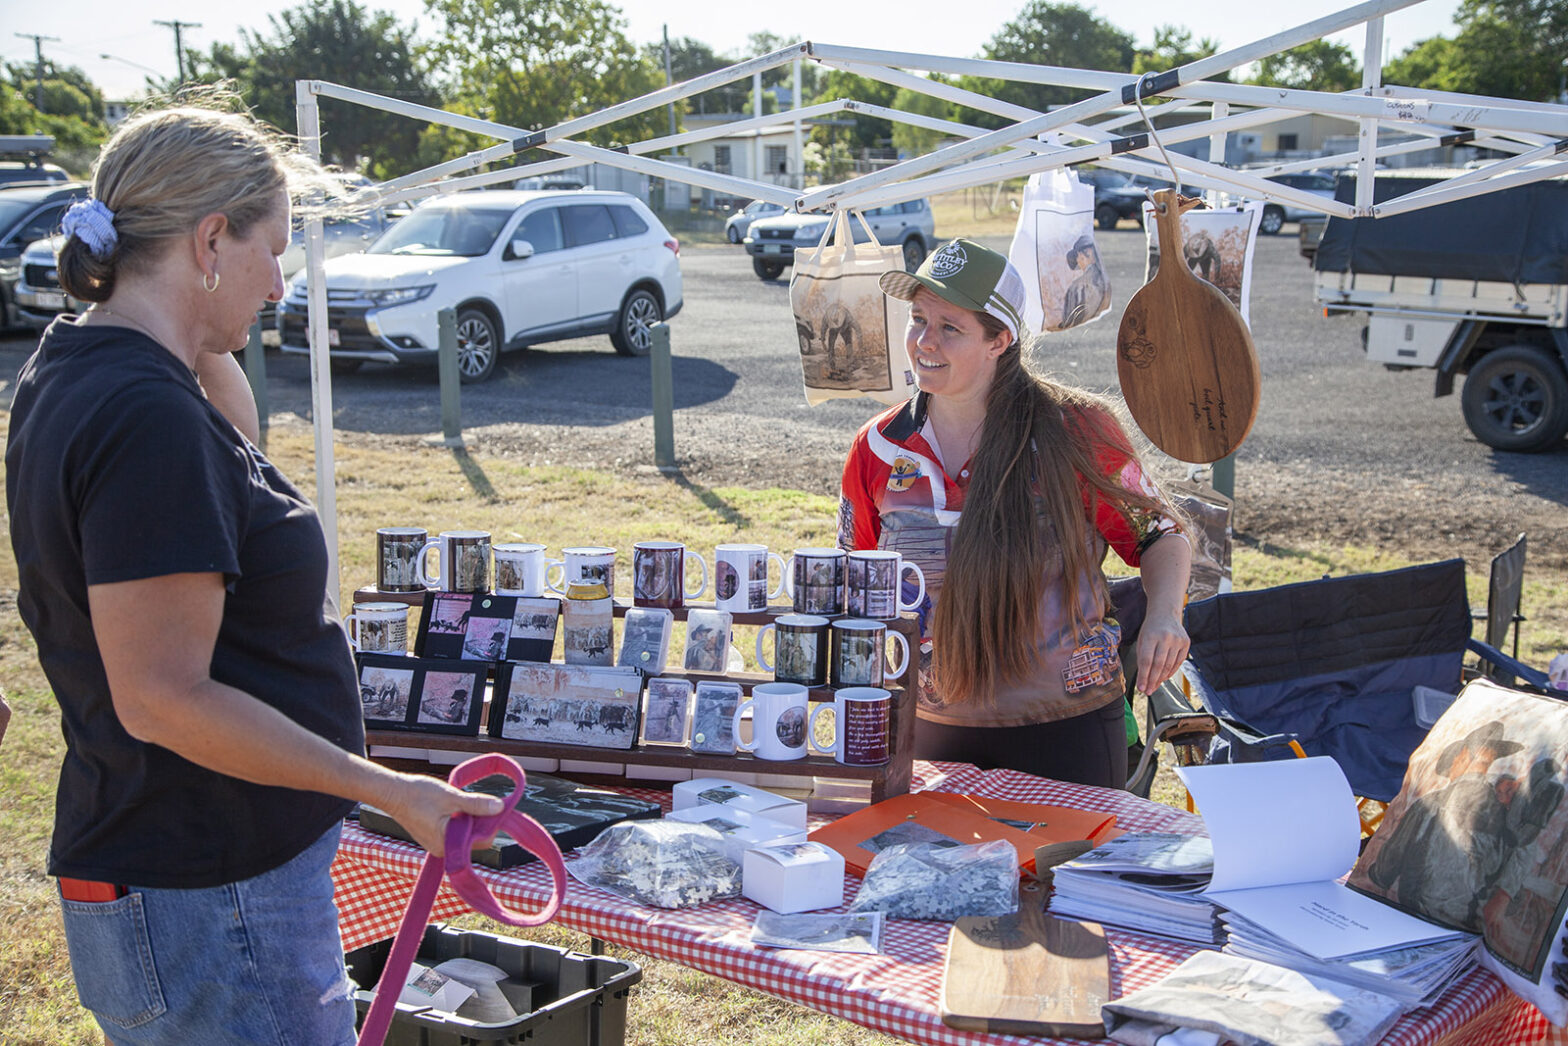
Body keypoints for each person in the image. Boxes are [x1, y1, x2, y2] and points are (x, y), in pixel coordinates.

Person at [5, 97, 502, 1045]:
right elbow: (163, 697)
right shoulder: (145, 418)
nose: (279, 285)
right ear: (210, 240)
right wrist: (388, 790)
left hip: (173, 875)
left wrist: (198, 332)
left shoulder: (86, 363)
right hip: (211, 893)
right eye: (271, 249)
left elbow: (230, 466)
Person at [837, 238, 1191, 788]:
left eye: (949, 327)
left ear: (1000, 339)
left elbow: (1159, 535)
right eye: (917, 320)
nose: (923, 342)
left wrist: (1166, 616)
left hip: (1063, 726)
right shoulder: (877, 447)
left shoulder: (1075, 429)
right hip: (931, 726)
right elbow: (854, 579)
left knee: (1064, 876)